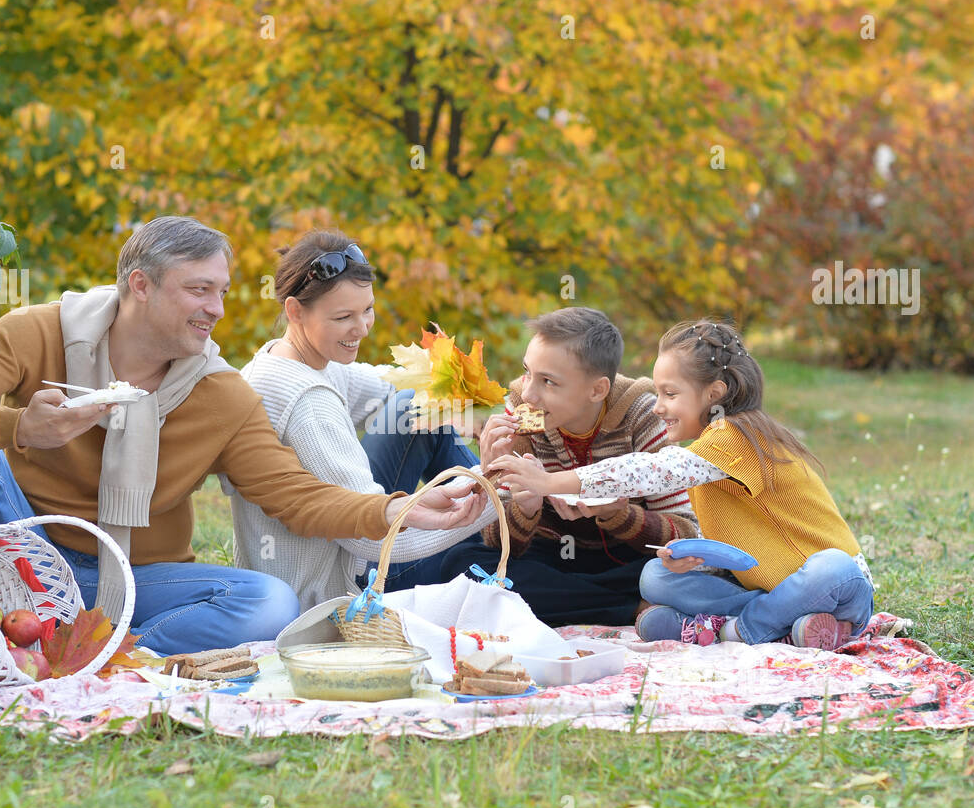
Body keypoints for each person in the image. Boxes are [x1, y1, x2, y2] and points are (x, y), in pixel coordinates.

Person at [0, 216, 484, 655]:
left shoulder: (220, 393)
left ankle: (95, 655)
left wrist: (399, 510)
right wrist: (18, 427)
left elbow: (296, 495)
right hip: (23, 546)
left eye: (222, 290)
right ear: (140, 286)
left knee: (267, 606)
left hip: (129, 575)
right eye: (199, 290)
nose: (217, 309)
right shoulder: (40, 332)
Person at [489, 318, 876, 650]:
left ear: (714, 395)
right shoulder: (706, 452)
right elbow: (740, 546)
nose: (658, 407)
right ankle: (788, 629)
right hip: (772, 590)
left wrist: (549, 481)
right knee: (656, 577)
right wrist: (691, 557)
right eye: (657, 393)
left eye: (669, 394)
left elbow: (649, 470)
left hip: (839, 591)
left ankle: (736, 631)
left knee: (834, 566)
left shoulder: (736, 436)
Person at [225, 229, 496, 611]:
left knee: (410, 405)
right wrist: (489, 507)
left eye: (367, 309)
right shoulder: (307, 401)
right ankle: (501, 503)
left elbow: (391, 389)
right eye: (343, 317)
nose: (362, 327)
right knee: (482, 547)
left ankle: (493, 492)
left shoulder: (289, 358)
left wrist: (465, 408)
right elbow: (369, 540)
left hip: (342, 553)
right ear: (295, 311)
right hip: (337, 586)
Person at [438, 307, 699, 627]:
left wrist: (615, 514)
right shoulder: (522, 413)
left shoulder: (640, 418)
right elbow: (498, 543)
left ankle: (607, 601)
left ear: (597, 390)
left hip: (626, 561)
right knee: (464, 565)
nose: (529, 394)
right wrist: (519, 500)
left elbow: (685, 533)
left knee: (665, 575)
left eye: (548, 381)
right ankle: (633, 610)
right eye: (527, 372)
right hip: (550, 558)